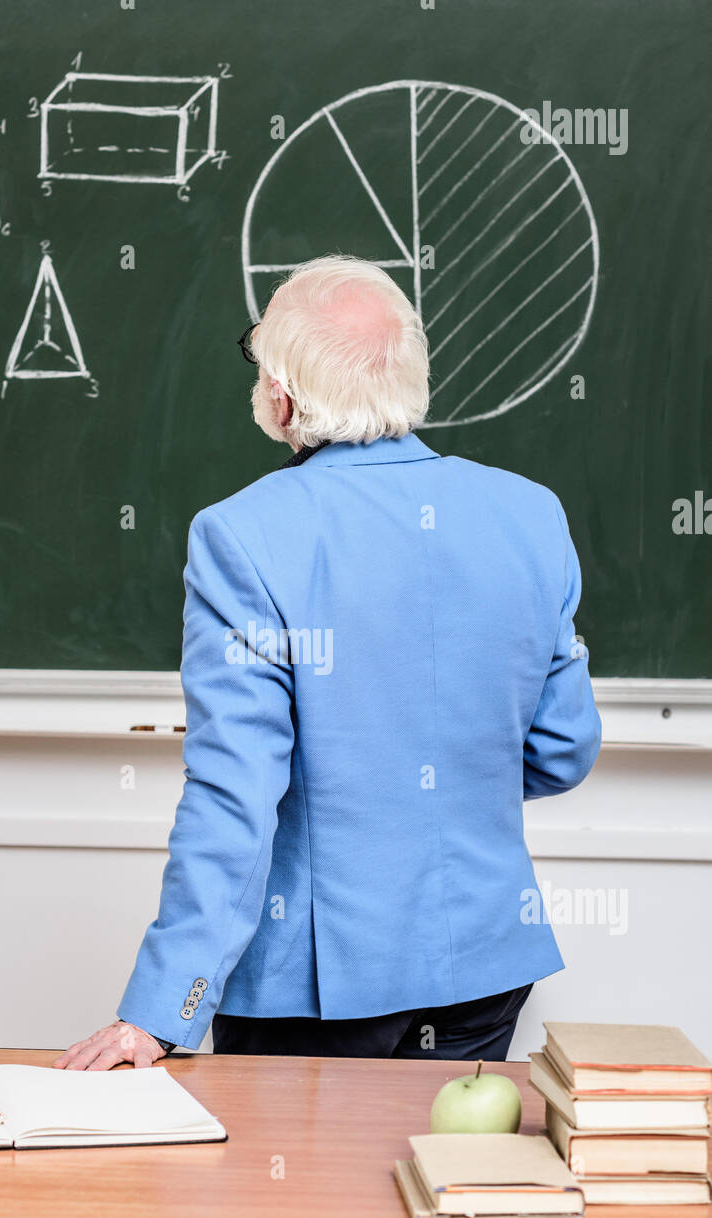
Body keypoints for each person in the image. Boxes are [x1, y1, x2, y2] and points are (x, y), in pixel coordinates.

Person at [56, 255, 601, 1071]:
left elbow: (233, 796)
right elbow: (561, 752)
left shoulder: (243, 536)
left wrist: (162, 1010)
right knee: (436, 1192)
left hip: (316, 985)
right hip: (484, 965)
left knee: (295, 1199)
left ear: (281, 394)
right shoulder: (529, 512)